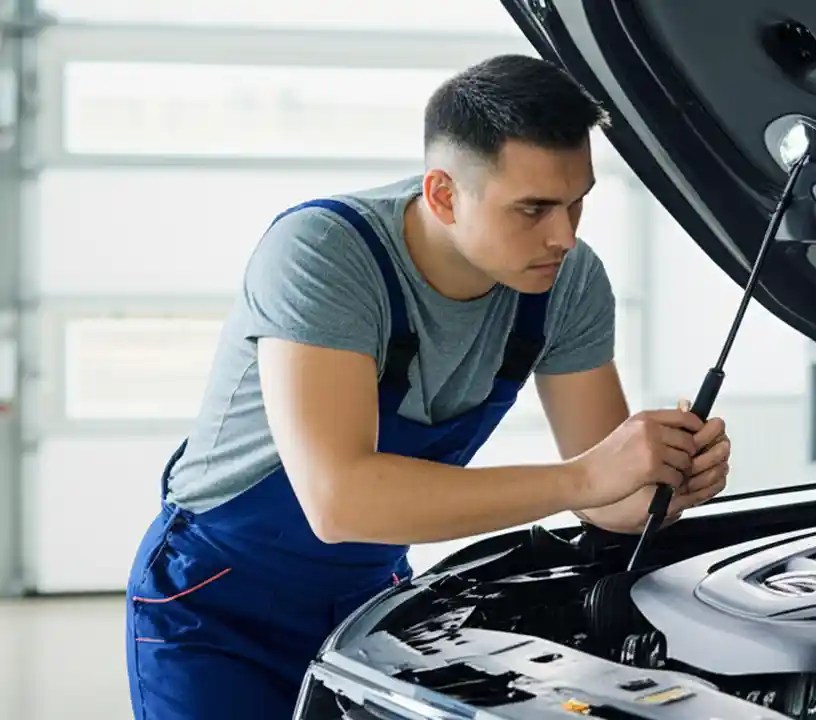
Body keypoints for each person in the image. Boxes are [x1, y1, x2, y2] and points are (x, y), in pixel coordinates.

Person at [124, 54, 732, 719]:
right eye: (532, 208)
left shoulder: (569, 282)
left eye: (577, 201)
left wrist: (664, 477)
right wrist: (588, 478)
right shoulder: (322, 253)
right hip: (217, 601)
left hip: (367, 601)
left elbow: (607, 501)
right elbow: (340, 503)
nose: (563, 235)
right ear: (443, 193)